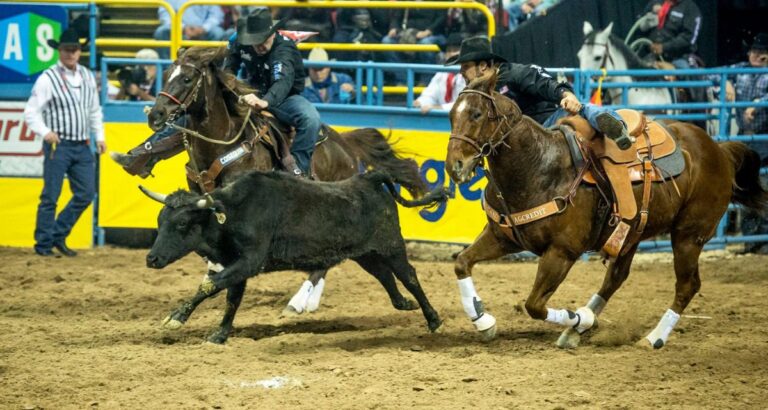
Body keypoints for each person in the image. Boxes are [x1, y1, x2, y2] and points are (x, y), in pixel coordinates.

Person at [447, 36, 631, 148]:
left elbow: (544, 82)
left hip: (546, 123)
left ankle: (617, 127)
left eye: (465, 66)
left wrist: (565, 95)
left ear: (483, 66)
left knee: (582, 110)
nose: (461, 72)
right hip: (519, 138)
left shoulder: (515, 73)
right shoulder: (477, 94)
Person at [23, 28, 107, 257]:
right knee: (51, 195)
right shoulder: (47, 78)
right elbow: (31, 112)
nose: (71, 53)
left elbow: (94, 110)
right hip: (58, 145)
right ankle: (43, 243)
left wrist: (99, 136)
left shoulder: (87, 76)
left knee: (86, 193)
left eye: (74, 50)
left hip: (81, 144)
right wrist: (45, 131)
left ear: (79, 52)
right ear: (59, 51)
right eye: (67, 50)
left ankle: (56, 235)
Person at [227, 8, 322, 176]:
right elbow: (229, 66)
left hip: (284, 97)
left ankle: (298, 171)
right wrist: (227, 86)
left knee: (310, 118)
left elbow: (282, 81)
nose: (258, 46)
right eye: (254, 41)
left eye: (263, 40)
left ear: (273, 34)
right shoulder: (238, 40)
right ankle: (167, 138)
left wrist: (265, 101)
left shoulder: (284, 48)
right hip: (253, 89)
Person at [715, 33, 768, 254]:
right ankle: (751, 240)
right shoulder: (740, 71)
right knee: (747, 187)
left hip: (764, 137)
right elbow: (715, 76)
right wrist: (725, 83)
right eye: (753, 51)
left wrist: (758, 104)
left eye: (759, 52)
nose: (754, 55)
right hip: (746, 138)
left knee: (763, 185)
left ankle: (762, 239)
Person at [636, 0, 702, 69]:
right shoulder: (654, 3)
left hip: (679, 58)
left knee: (683, 70)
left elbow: (689, 37)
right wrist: (648, 19)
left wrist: (663, 47)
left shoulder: (690, 7)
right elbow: (637, 29)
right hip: (651, 56)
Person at [413, 33, 466, 114]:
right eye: (448, 51)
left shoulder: (469, 74)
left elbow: (465, 104)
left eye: (455, 50)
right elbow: (430, 94)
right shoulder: (441, 73)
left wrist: (439, 108)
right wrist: (421, 102)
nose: (451, 54)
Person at [155, 0, 226, 57]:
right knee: (161, 31)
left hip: (204, 32)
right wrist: (183, 28)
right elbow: (165, 16)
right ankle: (166, 68)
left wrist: (204, 28)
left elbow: (216, 16)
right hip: (179, 32)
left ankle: (213, 67)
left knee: (218, 33)